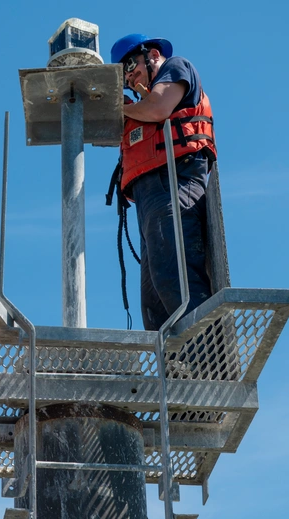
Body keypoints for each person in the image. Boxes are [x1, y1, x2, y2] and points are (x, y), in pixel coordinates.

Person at [110, 34, 218, 331]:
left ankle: (206, 361)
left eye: (131, 65)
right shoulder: (136, 110)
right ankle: (174, 371)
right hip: (149, 197)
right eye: (123, 75)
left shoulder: (175, 68)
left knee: (176, 277)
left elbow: (158, 109)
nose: (129, 77)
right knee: (154, 296)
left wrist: (120, 108)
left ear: (152, 54)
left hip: (175, 181)